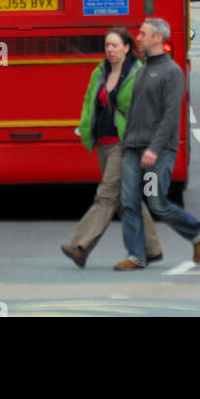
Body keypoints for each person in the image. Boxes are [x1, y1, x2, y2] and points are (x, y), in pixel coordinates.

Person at [61, 28, 163, 268]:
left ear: (127, 47)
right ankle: (152, 248)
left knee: (106, 196)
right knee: (125, 199)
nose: (110, 50)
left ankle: (80, 246)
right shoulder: (99, 72)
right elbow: (89, 102)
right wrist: (85, 128)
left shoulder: (138, 75)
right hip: (103, 144)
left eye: (115, 45)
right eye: (107, 45)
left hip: (124, 145)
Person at [114, 18, 200, 270]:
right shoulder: (143, 70)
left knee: (156, 201)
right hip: (134, 149)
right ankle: (136, 255)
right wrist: (126, 148)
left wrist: (154, 149)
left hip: (158, 151)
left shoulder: (172, 72)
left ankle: (196, 231)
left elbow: (170, 117)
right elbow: (134, 112)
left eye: (143, 33)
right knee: (128, 202)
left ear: (158, 38)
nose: (138, 37)